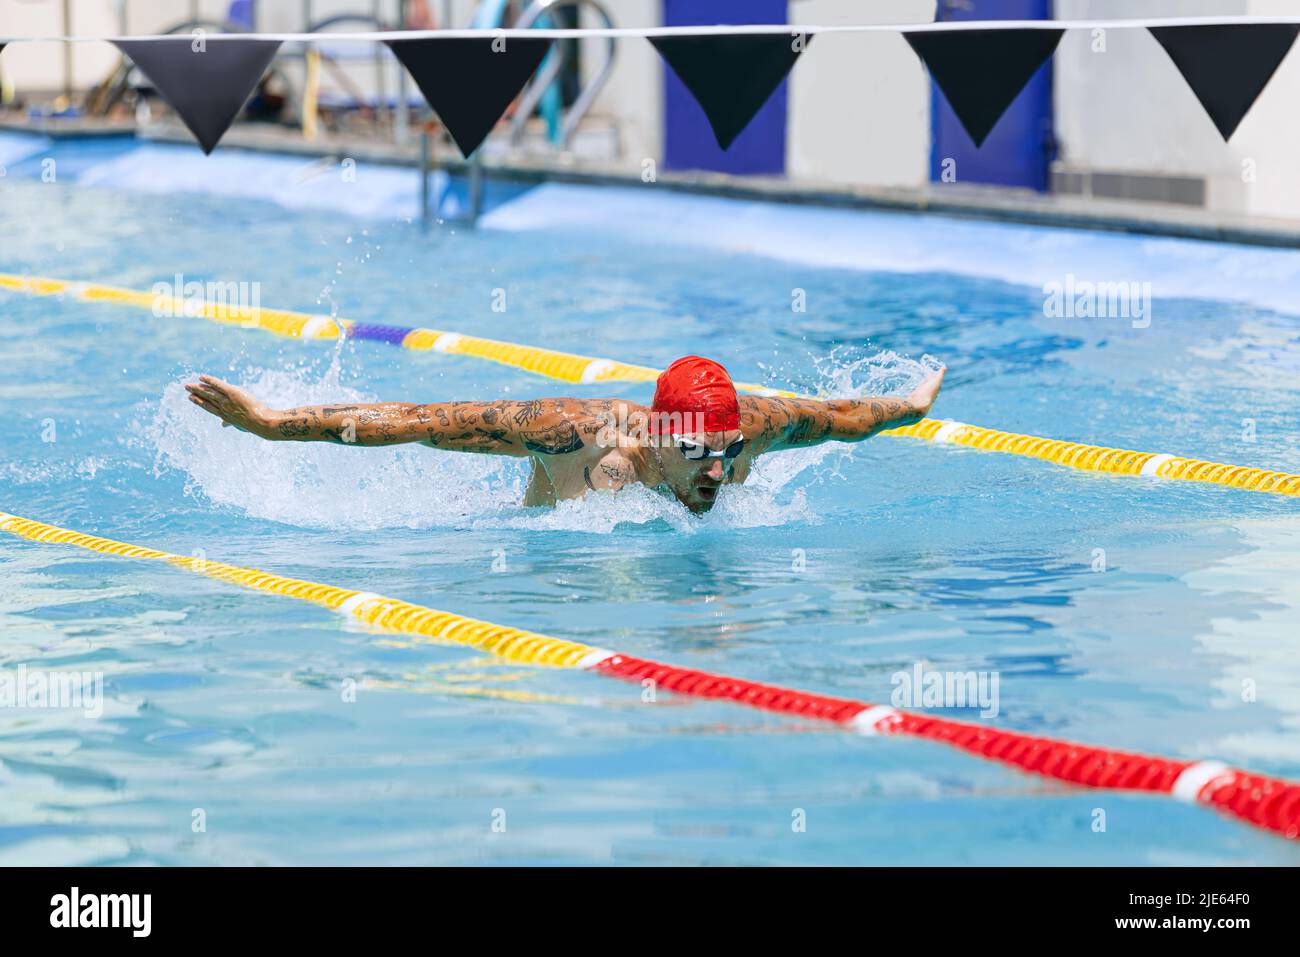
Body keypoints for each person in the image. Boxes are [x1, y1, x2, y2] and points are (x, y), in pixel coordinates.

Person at [185, 355, 945, 513]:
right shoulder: (585, 436)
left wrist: (911, 404)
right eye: (697, 451)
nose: (717, 467)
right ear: (657, 432)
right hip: (544, 576)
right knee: (462, 445)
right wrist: (274, 426)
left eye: (726, 450)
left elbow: (846, 419)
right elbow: (424, 421)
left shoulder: (748, 430)